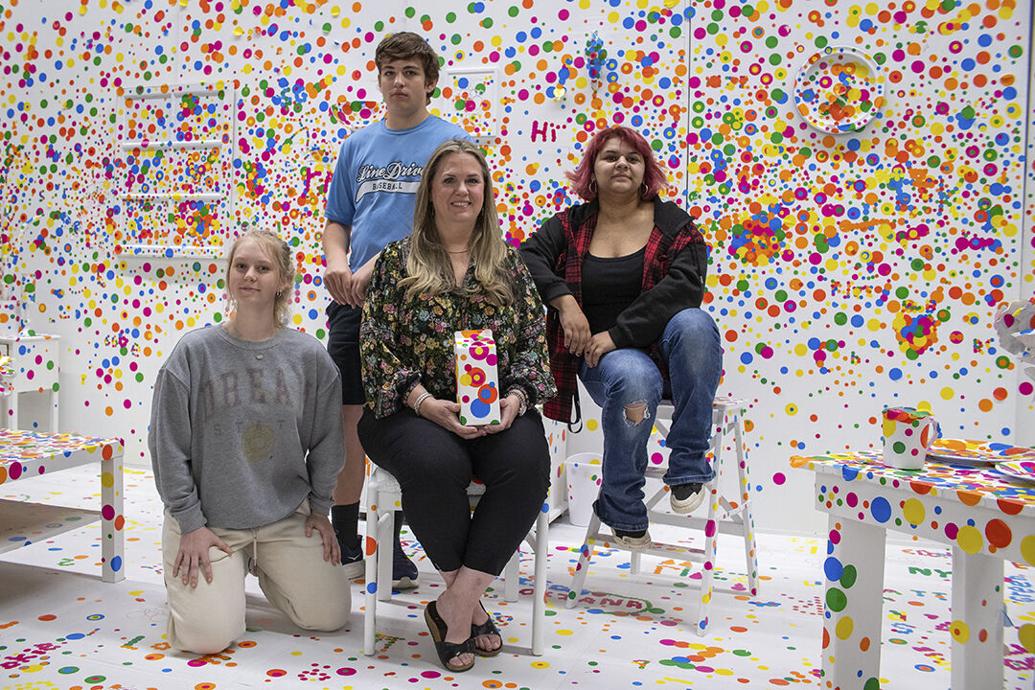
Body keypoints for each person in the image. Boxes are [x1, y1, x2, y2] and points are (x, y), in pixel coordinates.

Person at [357, 140, 555, 672]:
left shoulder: (509, 263)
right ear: (430, 192)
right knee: (438, 463)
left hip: (495, 408)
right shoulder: (398, 260)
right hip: (407, 409)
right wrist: (424, 403)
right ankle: (466, 606)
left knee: (528, 465)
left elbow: (535, 343)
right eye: (449, 180)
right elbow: (374, 345)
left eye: (472, 180)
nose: (461, 190)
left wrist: (516, 398)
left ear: (485, 192)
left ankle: (455, 604)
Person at [148, 230, 350, 655]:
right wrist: (189, 522)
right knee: (207, 638)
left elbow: (329, 441)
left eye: (263, 268)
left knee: (329, 616)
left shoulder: (309, 358)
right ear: (228, 276)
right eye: (240, 266)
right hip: (211, 521)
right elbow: (166, 445)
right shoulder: (193, 353)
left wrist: (319, 509)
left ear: (283, 282)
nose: (249, 275)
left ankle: (259, 565)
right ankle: (207, 584)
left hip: (282, 517)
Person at [520, 126, 723, 549]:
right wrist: (564, 302)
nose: (622, 164)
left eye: (633, 158)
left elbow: (684, 289)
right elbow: (525, 257)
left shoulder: (674, 224)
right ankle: (621, 502)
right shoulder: (570, 225)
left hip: (672, 356)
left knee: (696, 324)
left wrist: (618, 333)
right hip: (604, 359)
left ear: (645, 170)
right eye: (610, 156)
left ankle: (687, 464)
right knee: (635, 377)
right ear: (592, 170)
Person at [323, 31, 470, 588]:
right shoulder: (358, 145)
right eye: (390, 71)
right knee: (348, 418)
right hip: (355, 304)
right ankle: (345, 536)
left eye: (410, 71)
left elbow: (448, 224)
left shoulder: (449, 143)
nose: (399, 81)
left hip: (423, 304)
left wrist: (378, 266)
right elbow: (339, 220)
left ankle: (393, 545)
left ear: (429, 81)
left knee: (411, 418)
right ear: (379, 79)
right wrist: (338, 260)